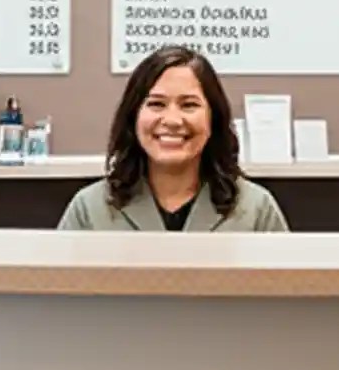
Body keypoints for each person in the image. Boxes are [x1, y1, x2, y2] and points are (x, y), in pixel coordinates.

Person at [57, 45, 289, 232]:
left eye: (189, 105)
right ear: (133, 116)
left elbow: (287, 287)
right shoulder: (90, 208)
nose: (172, 120)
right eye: (156, 104)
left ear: (213, 118)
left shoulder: (256, 209)